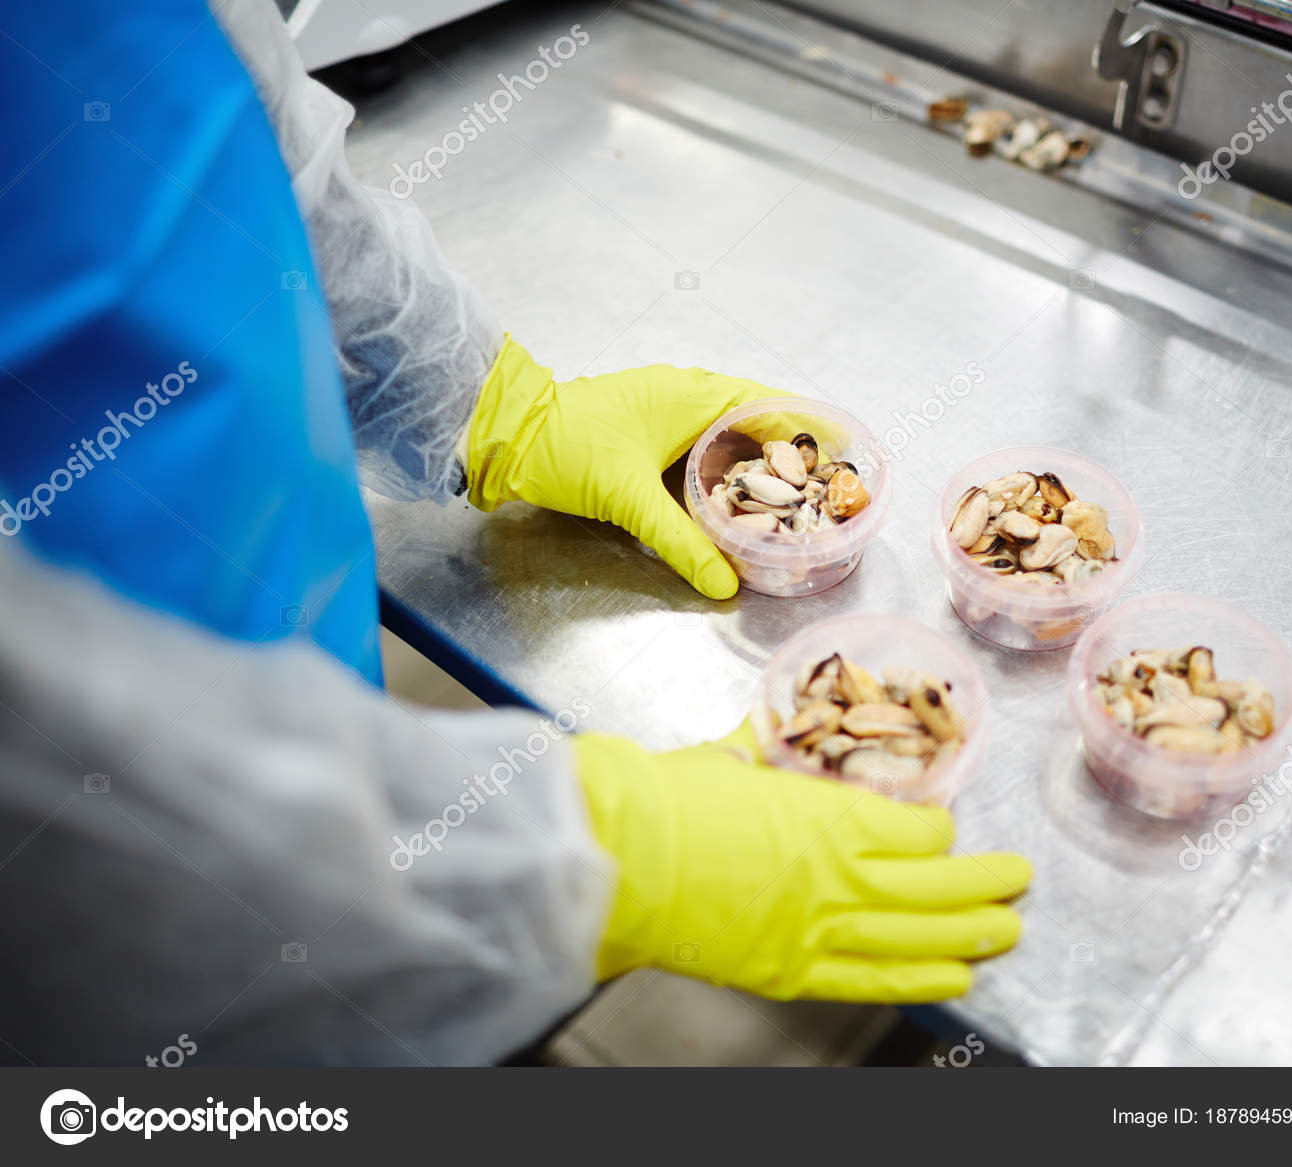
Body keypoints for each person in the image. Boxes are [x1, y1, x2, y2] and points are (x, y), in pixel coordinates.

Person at [0, 0, 1030, 1065]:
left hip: (280, 614)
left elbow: (234, 130)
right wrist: (585, 862)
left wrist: (480, 397)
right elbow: (69, 815)